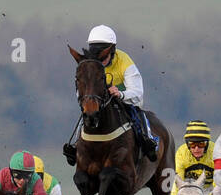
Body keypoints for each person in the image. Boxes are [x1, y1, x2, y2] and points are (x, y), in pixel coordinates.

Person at [65, 24, 159, 164]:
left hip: (125, 102)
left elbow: (138, 92)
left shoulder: (124, 61)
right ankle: (73, 145)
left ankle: (148, 140)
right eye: (98, 58)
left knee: (138, 113)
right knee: (86, 114)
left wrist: (121, 94)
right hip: (100, 104)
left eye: (103, 58)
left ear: (113, 51)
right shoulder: (89, 65)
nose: (101, 63)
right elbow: (80, 90)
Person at [161, 120, 215, 195]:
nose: (196, 149)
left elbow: (217, 181)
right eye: (192, 145)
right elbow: (177, 180)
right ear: (187, 144)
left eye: (201, 144)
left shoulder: (215, 151)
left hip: (208, 188)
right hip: (185, 187)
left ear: (207, 144)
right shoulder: (182, 153)